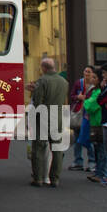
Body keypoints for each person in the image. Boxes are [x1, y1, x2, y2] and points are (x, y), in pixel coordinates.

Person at [28, 56, 69, 187]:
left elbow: (38, 101)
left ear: (44, 68)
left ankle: (38, 178)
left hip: (43, 117)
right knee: (57, 149)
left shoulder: (42, 80)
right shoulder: (64, 82)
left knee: (38, 148)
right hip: (57, 116)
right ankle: (55, 178)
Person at [69, 66, 98, 171]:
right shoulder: (78, 83)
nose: (86, 73)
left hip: (88, 115)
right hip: (78, 113)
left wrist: (87, 99)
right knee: (77, 139)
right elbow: (72, 95)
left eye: (89, 72)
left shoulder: (94, 86)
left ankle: (92, 161)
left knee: (88, 139)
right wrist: (78, 97)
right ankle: (78, 161)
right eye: (85, 71)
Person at [84, 69, 107, 184]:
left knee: (102, 150)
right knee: (98, 149)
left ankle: (103, 173)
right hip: (95, 123)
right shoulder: (95, 90)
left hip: (100, 123)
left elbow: (90, 105)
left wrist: (86, 101)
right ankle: (99, 172)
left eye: (94, 77)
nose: (91, 79)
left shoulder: (99, 91)